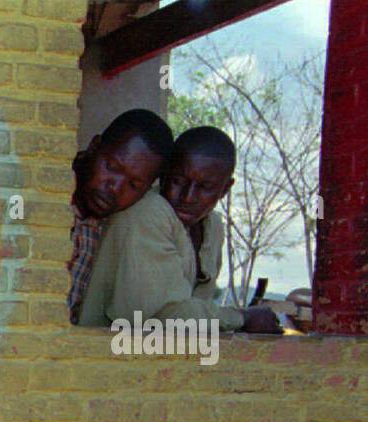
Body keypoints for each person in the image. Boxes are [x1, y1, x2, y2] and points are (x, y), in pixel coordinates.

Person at [76, 126, 281, 334]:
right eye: (178, 181)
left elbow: (195, 314)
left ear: (225, 189)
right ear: (163, 176)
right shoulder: (148, 212)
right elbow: (166, 316)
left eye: (204, 187)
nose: (188, 197)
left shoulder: (212, 227)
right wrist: (241, 318)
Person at [67, 108, 175, 323]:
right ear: (94, 147)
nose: (115, 187)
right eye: (112, 167)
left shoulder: (120, 231)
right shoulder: (42, 196)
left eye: (133, 185)